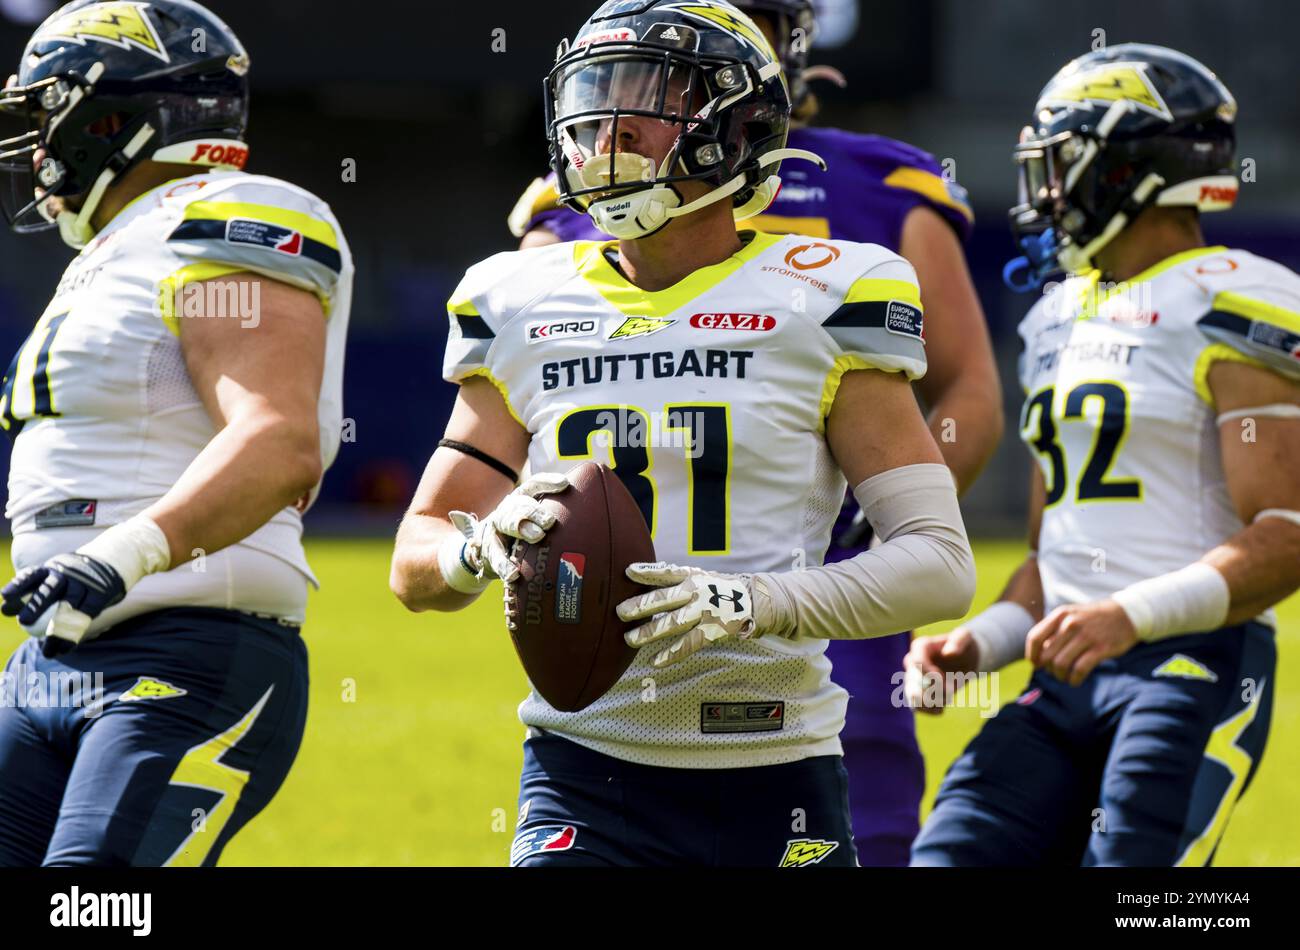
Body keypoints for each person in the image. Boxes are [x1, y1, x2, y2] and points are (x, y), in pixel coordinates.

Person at [391, 0, 975, 868]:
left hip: (775, 770)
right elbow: (415, 562)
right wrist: (477, 552)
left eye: (647, 98)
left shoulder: (829, 291)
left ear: (736, 128)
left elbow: (939, 562)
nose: (606, 126)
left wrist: (751, 603)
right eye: (595, 97)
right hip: (582, 770)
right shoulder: (515, 298)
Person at [908, 44, 1300, 866]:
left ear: (1127, 169)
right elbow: (1055, 560)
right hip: (1066, 676)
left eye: (1061, 165)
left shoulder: (1236, 298)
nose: (1045, 191)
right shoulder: (1055, 317)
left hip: (1192, 664)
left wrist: (1131, 615)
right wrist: (976, 646)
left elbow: (1288, 532)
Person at [0, 0, 352, 866]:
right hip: (51, 654)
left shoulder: (223, 220)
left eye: (52, 113)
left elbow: (277, 439)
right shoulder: (116, 251)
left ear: (113, 117)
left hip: (189, 648)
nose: (39, 148)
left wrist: (117, 556)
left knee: (97, 910)